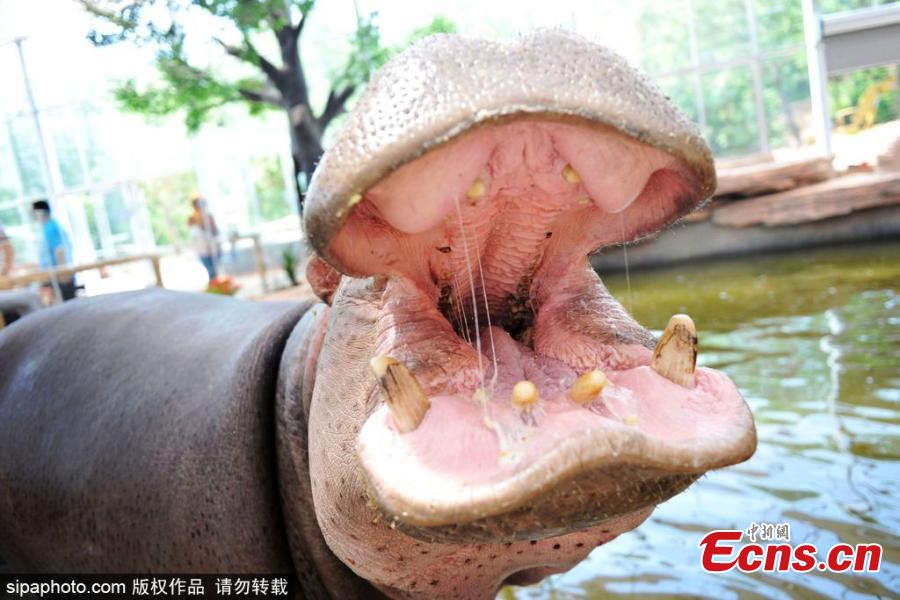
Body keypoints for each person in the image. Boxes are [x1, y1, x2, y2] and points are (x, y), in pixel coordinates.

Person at [32, 199, 76, 301]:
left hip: (61, 278)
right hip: (54, 277)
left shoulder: (52, 228)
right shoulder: (47, 227)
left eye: (34, 212)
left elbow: (60, 251)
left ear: (40, 212)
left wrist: (64, 276)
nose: (33, 216)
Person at [187, 193, 219, 282]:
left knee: (214, 271)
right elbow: (194, 234)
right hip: (202, 249)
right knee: (211, 271)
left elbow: (215, 232)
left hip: (212, 248)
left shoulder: (209, 217)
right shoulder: (192, 219)